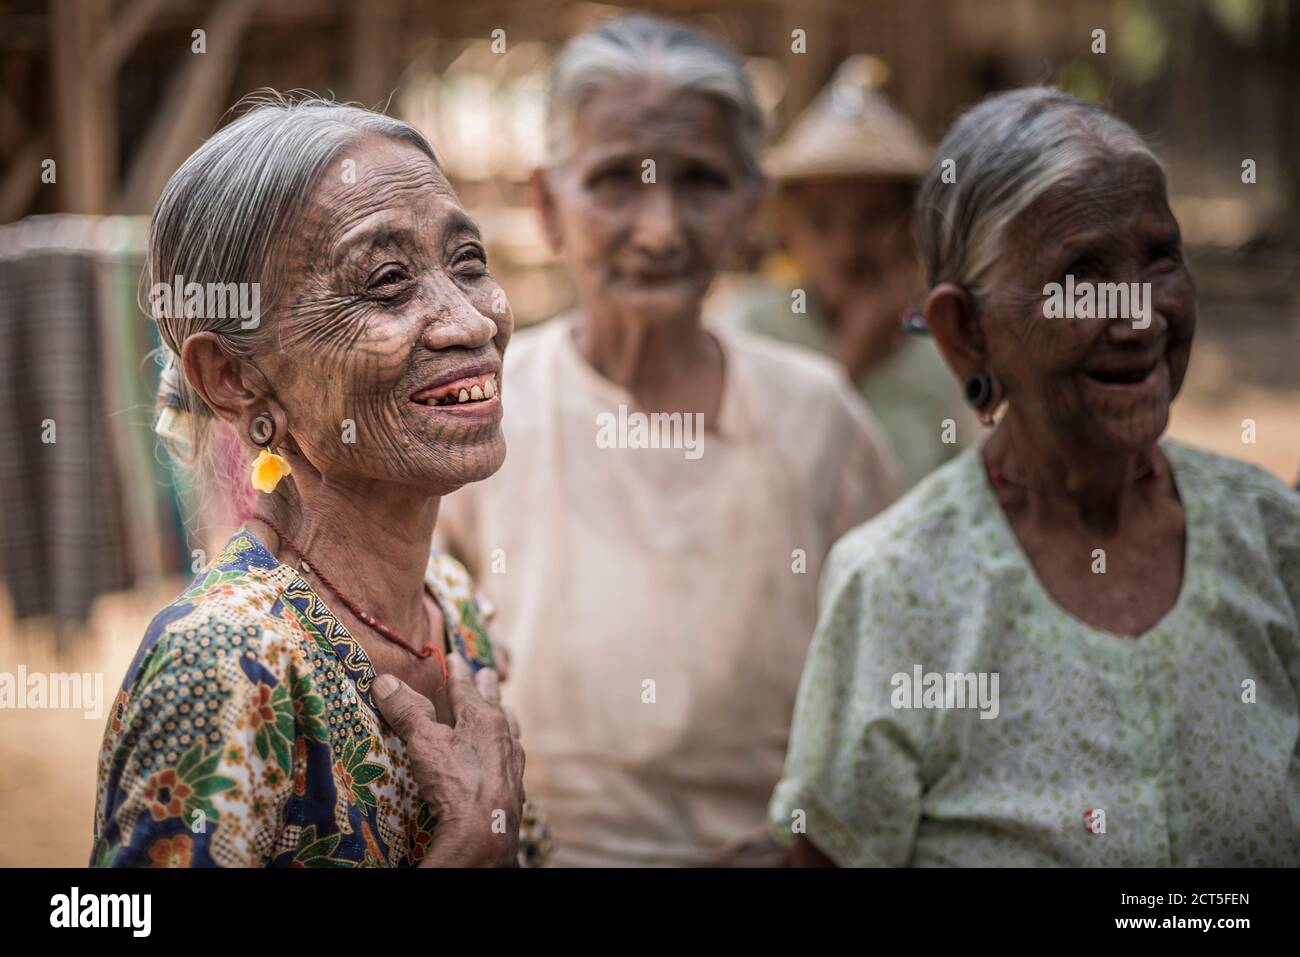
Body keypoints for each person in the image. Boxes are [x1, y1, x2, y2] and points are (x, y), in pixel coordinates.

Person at [772, 87, 1300, 867]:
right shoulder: (898, 586)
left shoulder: (1269, 531)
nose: (1141, 316)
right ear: (965, 332)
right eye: (1080, 277)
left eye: (1160, 259)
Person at [436, 15, 899, 866]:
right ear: (547, 204)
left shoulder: (816, 416)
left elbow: (891, 681)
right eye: (616, 180)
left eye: (700, 182)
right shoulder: (480, 414)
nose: (659, 229)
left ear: (751, 207)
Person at [91, 95, 548, 867]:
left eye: (468, 262)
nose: (471, 322)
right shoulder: (222, 669)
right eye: (388, 281)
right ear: (236, 377)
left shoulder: (448, 604)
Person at [712, 56, 972, 488]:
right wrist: (852, 359)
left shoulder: (945, 340)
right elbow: (749, 484)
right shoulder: (747, 325)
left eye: (872, 219)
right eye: (821, 221)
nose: (846, 246)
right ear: (787, 227)